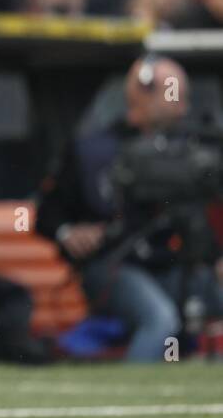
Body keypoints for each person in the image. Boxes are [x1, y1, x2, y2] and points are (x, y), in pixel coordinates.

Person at [36, 56, 223, 361]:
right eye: (171, 93)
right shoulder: (93, 149)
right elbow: (46, 214)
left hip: (175, 264)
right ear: (138, 93)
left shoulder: (196, 149)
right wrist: (68, 231)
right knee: (161, 320)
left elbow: (201, 214)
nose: (180, 104)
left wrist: (217, 257)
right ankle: (129, 398)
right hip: (114, 264)